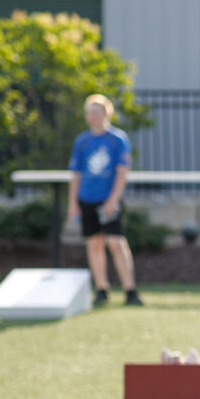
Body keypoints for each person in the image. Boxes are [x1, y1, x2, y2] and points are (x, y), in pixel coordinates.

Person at [68, 93, 142, 306]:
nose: (92, 116)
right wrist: (73, 204)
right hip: (87, 199)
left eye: (96, 112)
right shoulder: (82, 141)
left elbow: (122, 171)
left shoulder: (117, 139)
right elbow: (76, 175)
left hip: (108, 199)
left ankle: (130, 290)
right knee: (94, 243)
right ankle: (102, 288)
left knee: (115, 242)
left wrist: (113, 200)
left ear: (106, 113)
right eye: (89, 112)